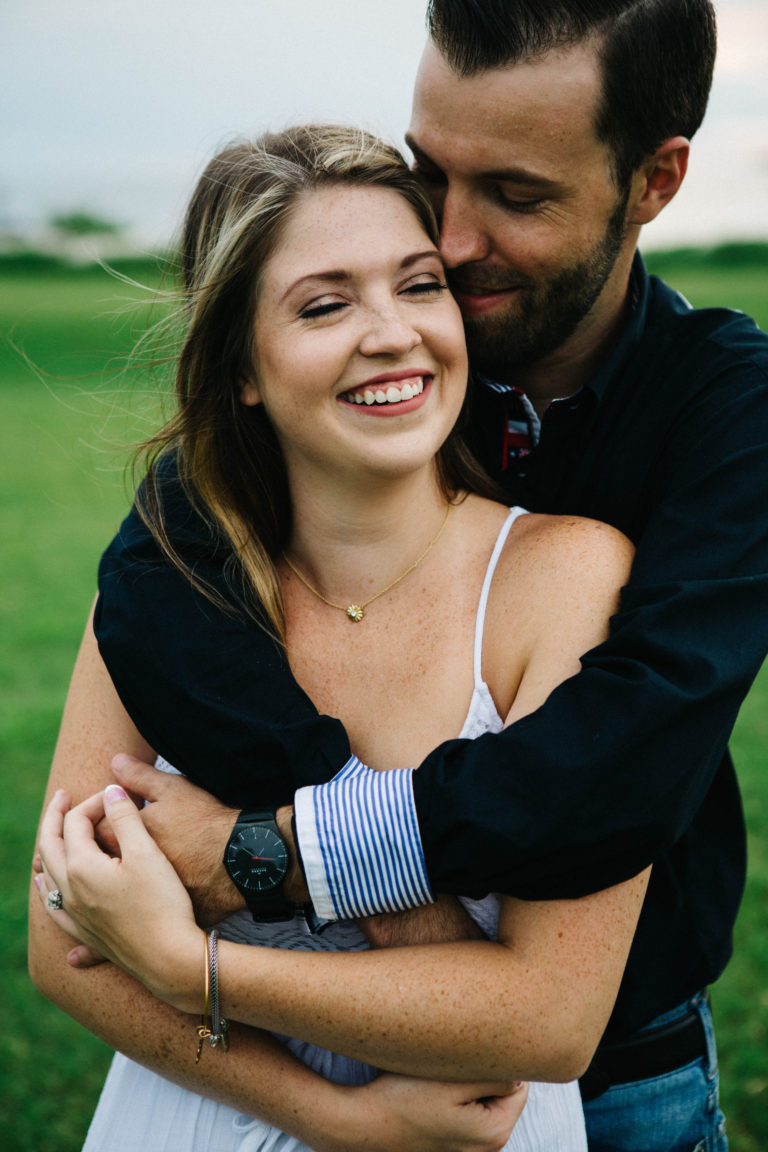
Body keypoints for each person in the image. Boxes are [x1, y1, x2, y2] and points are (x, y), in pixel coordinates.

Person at [52, 1, 768, 1148]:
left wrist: (269, 856)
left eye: (519, 195)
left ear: (654, 181)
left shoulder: (726, 413)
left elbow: (618, 760)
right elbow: (158, 571)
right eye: (433, 169)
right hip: (275, 1059)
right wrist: (357, 871)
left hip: (619, 1065)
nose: (456, 239)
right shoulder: (398, 352)